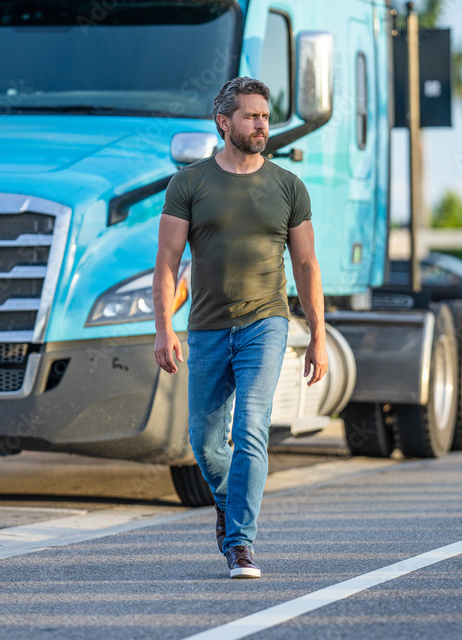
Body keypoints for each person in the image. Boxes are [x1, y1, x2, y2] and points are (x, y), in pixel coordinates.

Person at [152, 77, 327, 579]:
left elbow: (308, 265)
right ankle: (230, 503)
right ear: (223, 122)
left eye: (265, 117)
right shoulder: (188, 183)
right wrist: (164, 329)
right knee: (204, 444)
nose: (261, 125)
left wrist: (317, 333)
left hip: (265, 323)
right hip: (206, 328)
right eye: (251, 117)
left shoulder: (287, 186)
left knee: (251, 426)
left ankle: (240, 544)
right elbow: (167, 262)